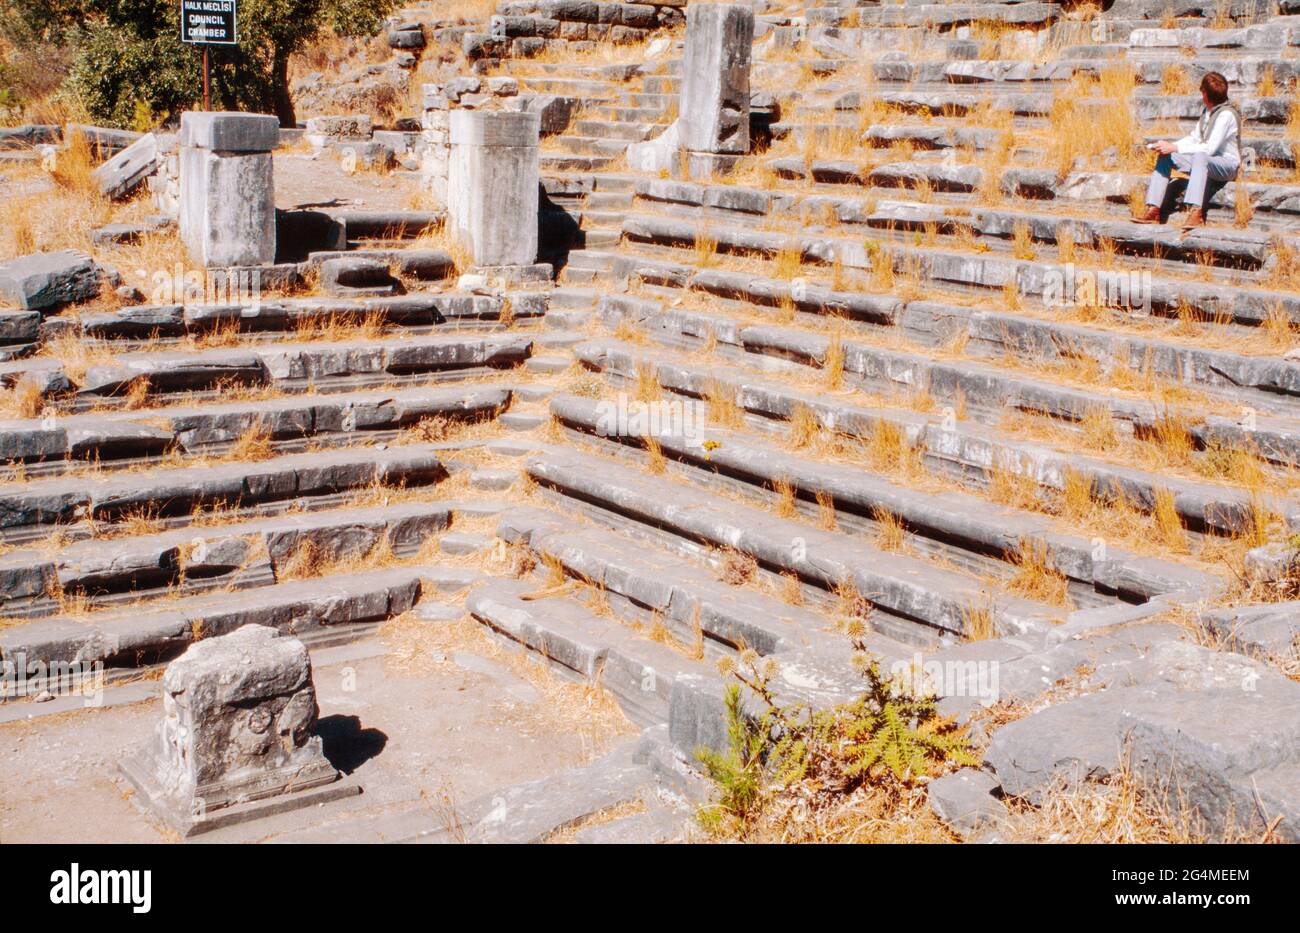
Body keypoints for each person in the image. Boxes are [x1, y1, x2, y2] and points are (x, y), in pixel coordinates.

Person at [1134, 71, 1241, 230]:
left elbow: (1209, 149)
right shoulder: (1208, 112)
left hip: (1227, 166)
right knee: (1166, 156)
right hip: (1203, 162)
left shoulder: (1226, 116)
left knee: (1200, 156)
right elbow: (1195, 138)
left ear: (1205, 94)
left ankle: (1196, 212)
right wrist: (1170, 147)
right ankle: (1153, 209)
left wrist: (1176, 147)